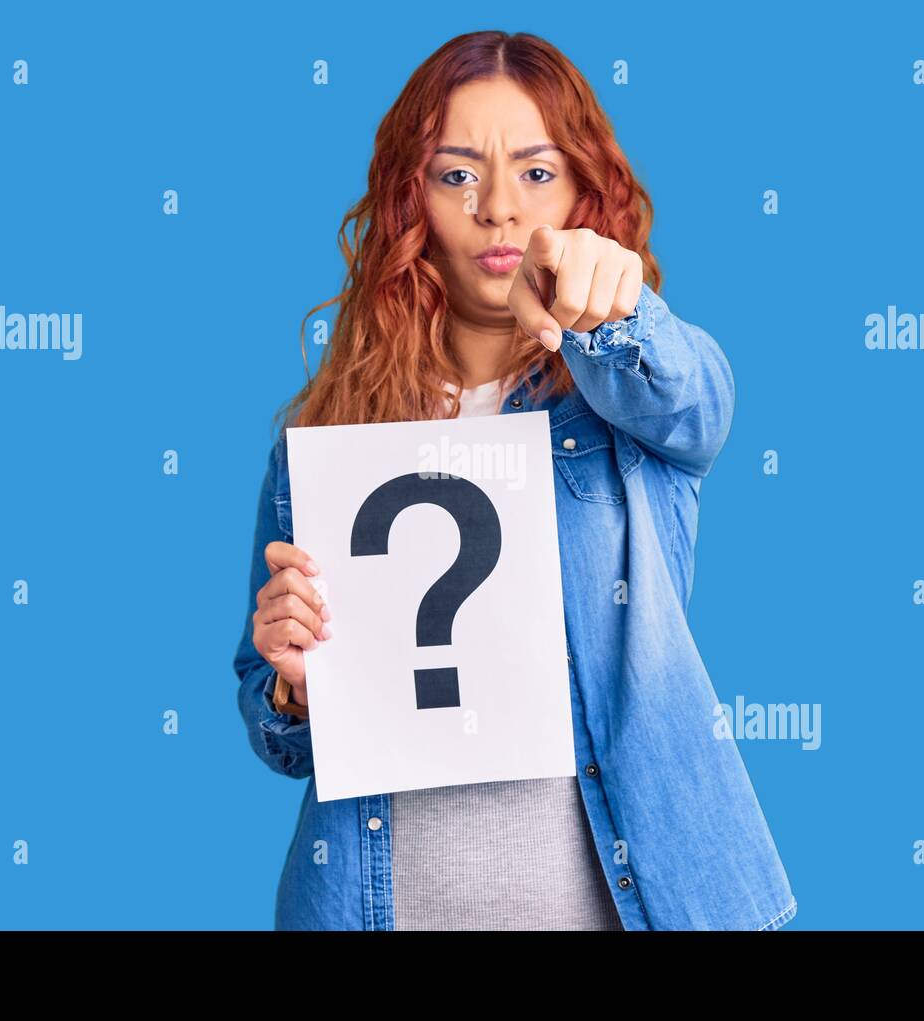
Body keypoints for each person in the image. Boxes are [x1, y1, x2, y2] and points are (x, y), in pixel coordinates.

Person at [233, 29, 797, 931]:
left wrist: (616, 313)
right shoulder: (326, 437)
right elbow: (281, 738)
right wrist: (293, 682)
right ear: (409, 198)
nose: (498, 207)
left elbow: (701, 405)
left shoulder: (630, 409)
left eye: (536, 173)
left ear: (583, 191)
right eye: (458, 175)